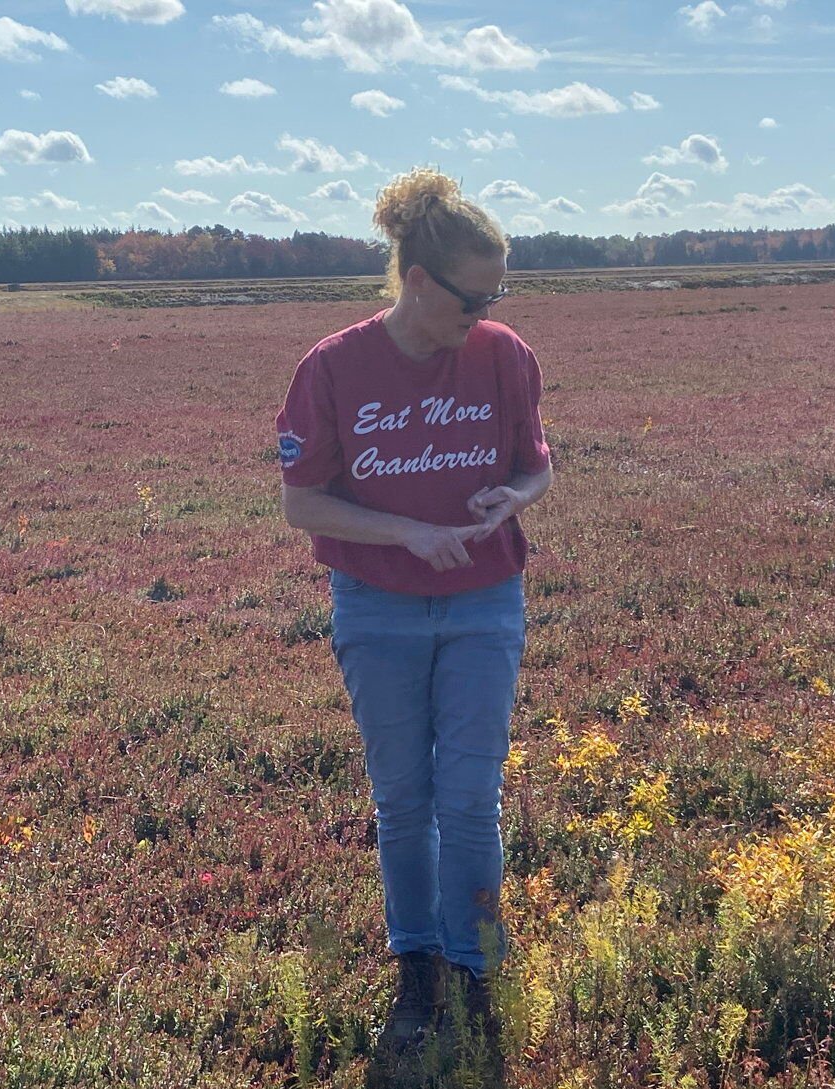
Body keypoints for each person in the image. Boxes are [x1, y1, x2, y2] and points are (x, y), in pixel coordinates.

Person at [274, 167, 553, 1059]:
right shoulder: (331, 367)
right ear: (420, 283)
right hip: (378, 610)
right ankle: (418, 965)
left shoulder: (504, 355)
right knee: (402, 799)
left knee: (470, 795)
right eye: (476, 296)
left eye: (499, 291)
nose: (490, 311)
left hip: (483, 603)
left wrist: (514, 495)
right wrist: (405, 532)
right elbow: (303, 501)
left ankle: (474, 966)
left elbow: (538, 464)